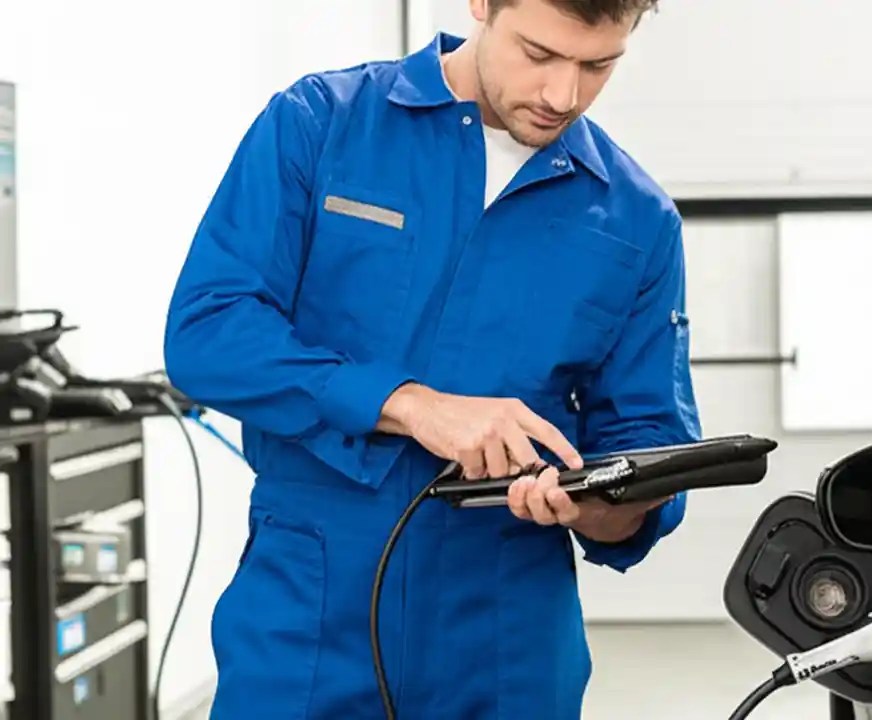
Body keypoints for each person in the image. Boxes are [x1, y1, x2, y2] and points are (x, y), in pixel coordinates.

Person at [162, 0, 701, 717]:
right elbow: (209, 332)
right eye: (539, 54)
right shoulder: (320, 126)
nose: (561, 96)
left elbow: (647, 439)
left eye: (598, 65)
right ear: (482, 4)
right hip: (308, 618)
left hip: (509, 641)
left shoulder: (638, 220)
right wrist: (411, 405)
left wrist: (605, 508)